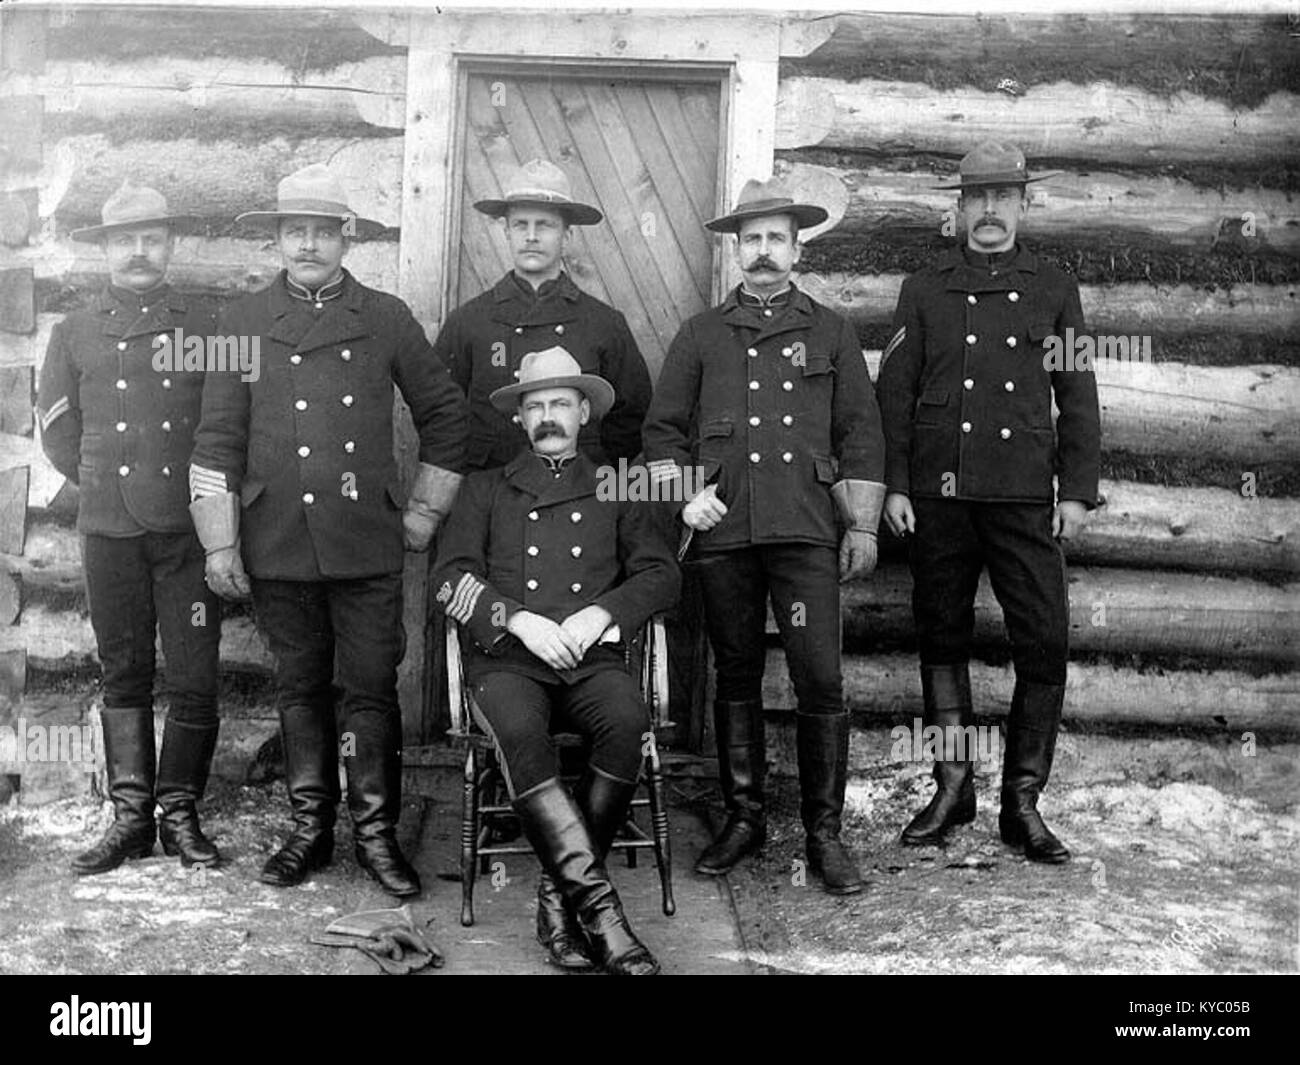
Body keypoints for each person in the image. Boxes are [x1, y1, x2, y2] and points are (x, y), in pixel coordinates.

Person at [187, 164, 468, 896]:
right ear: (278, 239)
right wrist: (220, 540)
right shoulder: (238, 324)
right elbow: (215, 439)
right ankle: (310, 828)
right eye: (294, 230)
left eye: (322, 230)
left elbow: (447, 418)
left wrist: (423, 513)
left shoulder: (387, 317)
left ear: (347, 238)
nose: (308, 243)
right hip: (276, 539)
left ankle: (376, 835)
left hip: (365, 542)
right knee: (301, 684)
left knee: (371, 685)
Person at [642, 178, 887, 895]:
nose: (763, 251)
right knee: (736, 669)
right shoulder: (701, 333)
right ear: (736, 249)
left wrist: (863, 524)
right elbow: (660, 430)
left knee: (820, 676)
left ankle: (825, 832)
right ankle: (744, 817)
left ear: (797, 246)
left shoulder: (832, 331)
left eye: (776, 237)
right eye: (751, 239)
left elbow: (860, 432)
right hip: (727, 533)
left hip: (806, 531)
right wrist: (687, 496)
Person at [877, 140, 1101, 863]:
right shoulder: (924, 286)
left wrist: (1077, 492)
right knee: (941, 638)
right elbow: (896, 395)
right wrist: (900, 484)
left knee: (1044, 641)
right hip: (939, 500)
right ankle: (952, 785)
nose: (989, 212)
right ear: (959, 208)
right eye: (977, 198)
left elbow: (1078, 395)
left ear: (1024, 206)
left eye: (1004, 198)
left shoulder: (1054, 287)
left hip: (1024, 501)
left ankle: (1022, 802)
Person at [433, 346, 679, 974]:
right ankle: (601, 913)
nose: (547, 416)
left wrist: (603, 615)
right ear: (519, 416)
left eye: (560, 404)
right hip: (509, 661)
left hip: (591, 659)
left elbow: (660, 575)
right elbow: (448, 576)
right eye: (535, 405)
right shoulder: (486, 488)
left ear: (583, 412)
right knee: (520, 732)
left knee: (626, 724)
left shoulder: (615, 484)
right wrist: (516, 618)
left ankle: (556, 898)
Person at [38, 182, 224, 874]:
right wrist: (113, 484)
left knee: (196, 673)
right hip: (109, 527)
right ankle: (131, 818)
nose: (139, 251)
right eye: (125, 240)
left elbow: (231, 421)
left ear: (170, 244)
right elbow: (58, 432)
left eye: (151, 238)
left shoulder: (206, 327)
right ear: (107, 250)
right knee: (123, 672)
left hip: (187, 530)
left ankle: (181, 814)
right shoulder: (75, 330)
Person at [432, 158, 651, 471]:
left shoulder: (603, 324)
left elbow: (631, 422)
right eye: (521, 225)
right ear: (506, 231)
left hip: (578, 495)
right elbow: (442, 416)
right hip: (491, 492)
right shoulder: (469, 322)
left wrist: (608, 496)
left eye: (545, 225)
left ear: (568, 234)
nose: (531, 236)